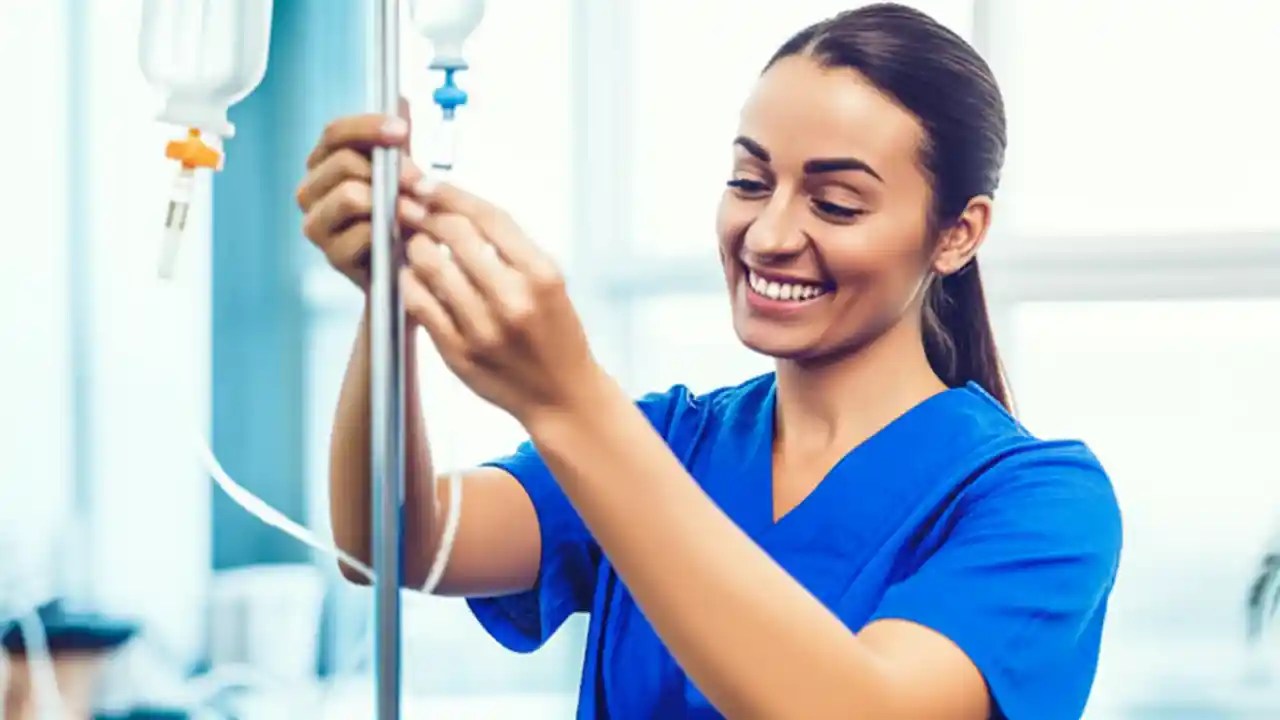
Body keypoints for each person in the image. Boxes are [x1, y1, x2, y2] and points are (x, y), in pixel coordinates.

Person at [296, 3, 1122, 718]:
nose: (768, 236)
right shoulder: (663, 443)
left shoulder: (1037, 505)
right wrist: (388, 294)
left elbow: (860, 708)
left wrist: (567, 401)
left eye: (835, 203)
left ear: (958, 233)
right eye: (750, 182)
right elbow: (394, 543)